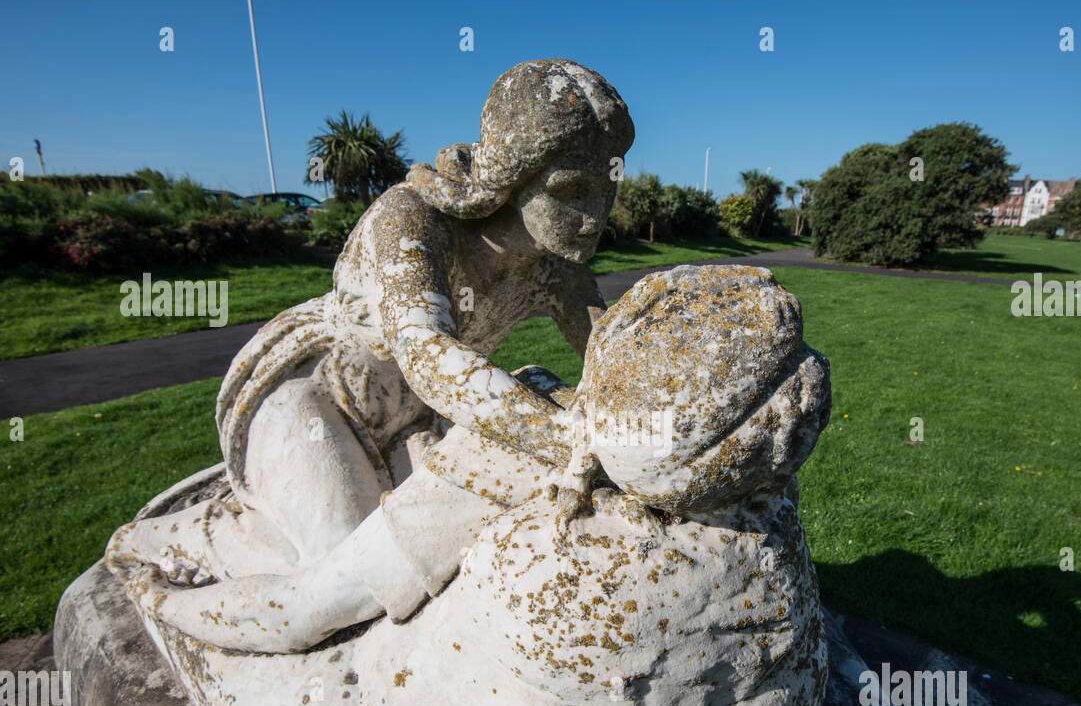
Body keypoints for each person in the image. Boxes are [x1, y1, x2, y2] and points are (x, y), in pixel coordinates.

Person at [106, 59, 634, 586]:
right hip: (317, 400)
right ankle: (182, 535)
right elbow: (427, 354)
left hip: (415, 420)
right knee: (344, 564)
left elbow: (613, 354)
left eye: (606, 188)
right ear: (514, 175)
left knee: (444, 547)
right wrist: (567, 436)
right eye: (571, 190)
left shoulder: (557, 270)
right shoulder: (413, 217)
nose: (595, 215)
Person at [120, 265, 832, 654]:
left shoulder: (633, 416)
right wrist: (164, 599)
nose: (594, 213)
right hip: (316, 409)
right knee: (332, 569)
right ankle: (205, 531)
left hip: (433, 424)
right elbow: (304, 611)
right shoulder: (499, 460)